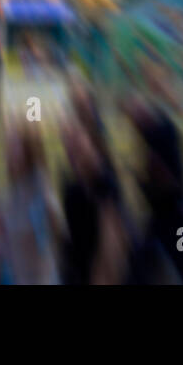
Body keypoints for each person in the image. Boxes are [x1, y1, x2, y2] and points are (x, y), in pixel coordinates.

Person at [124, 97, 183, 284]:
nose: (132, 122)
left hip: (172, 214)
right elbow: (180, 174)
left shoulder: (156, 136)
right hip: (170, 214)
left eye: (133, 116)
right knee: (181, 263)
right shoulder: (165, 130)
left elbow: (166, 180)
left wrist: (140, 180)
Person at [60, 122, 130, 284]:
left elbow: (111, 240)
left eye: (78, 143)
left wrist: (102, 277)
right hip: (78, 269)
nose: (71, 148)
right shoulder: (71, 186)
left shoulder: (104, 182)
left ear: (92, 146)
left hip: (100, 273)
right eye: (68, 143)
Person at [0, 127, 63, 284]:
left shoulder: (39, 183)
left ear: (27, 150)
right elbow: (9, 241)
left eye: (15, 145)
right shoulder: (12, 191)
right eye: (8, 146)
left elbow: (52, 230)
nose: (9, 151)